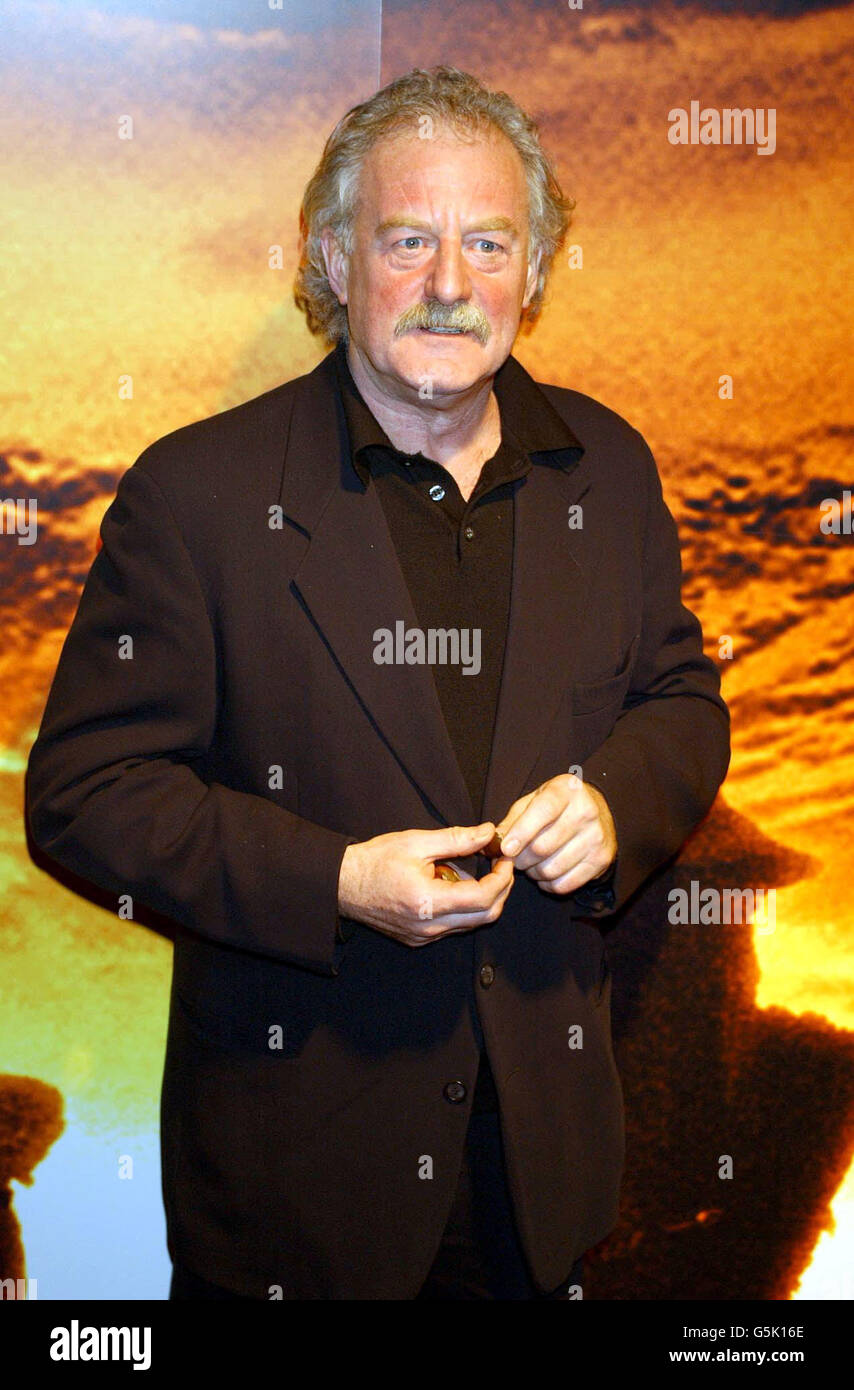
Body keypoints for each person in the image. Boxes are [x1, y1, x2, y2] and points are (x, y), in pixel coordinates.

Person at [25, 65, 730, 1300]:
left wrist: (617, 799)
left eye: (488, 242)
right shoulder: (195, 495)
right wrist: (337, 882)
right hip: (295, 1204)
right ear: (332, 260)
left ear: (535, 269)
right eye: (407, 239)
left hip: (547, 1190)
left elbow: (678, 702)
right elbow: (85, 795)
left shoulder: (606, 470)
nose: (449, 285)